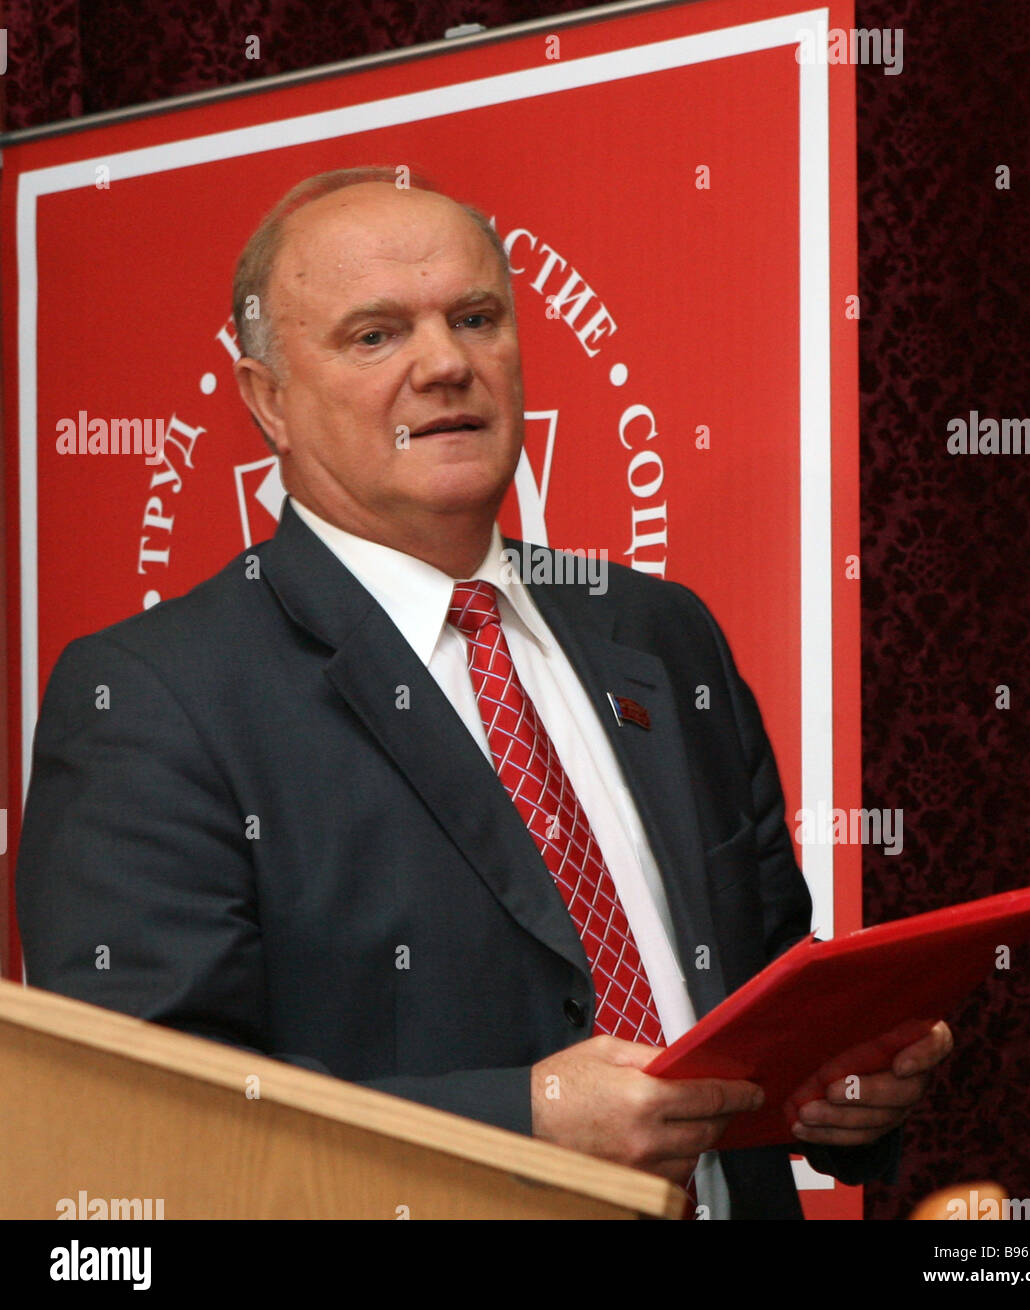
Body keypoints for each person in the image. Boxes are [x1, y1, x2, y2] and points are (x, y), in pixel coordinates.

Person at [16, 167, 951, 1219]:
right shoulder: (150, 699)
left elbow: (765, 988)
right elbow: (147, 1134)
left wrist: (844, 1084)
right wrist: (526, 1122)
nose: (446, 363)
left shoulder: (660, 634)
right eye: (375, 335)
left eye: (475, 317)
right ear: (266, 400)